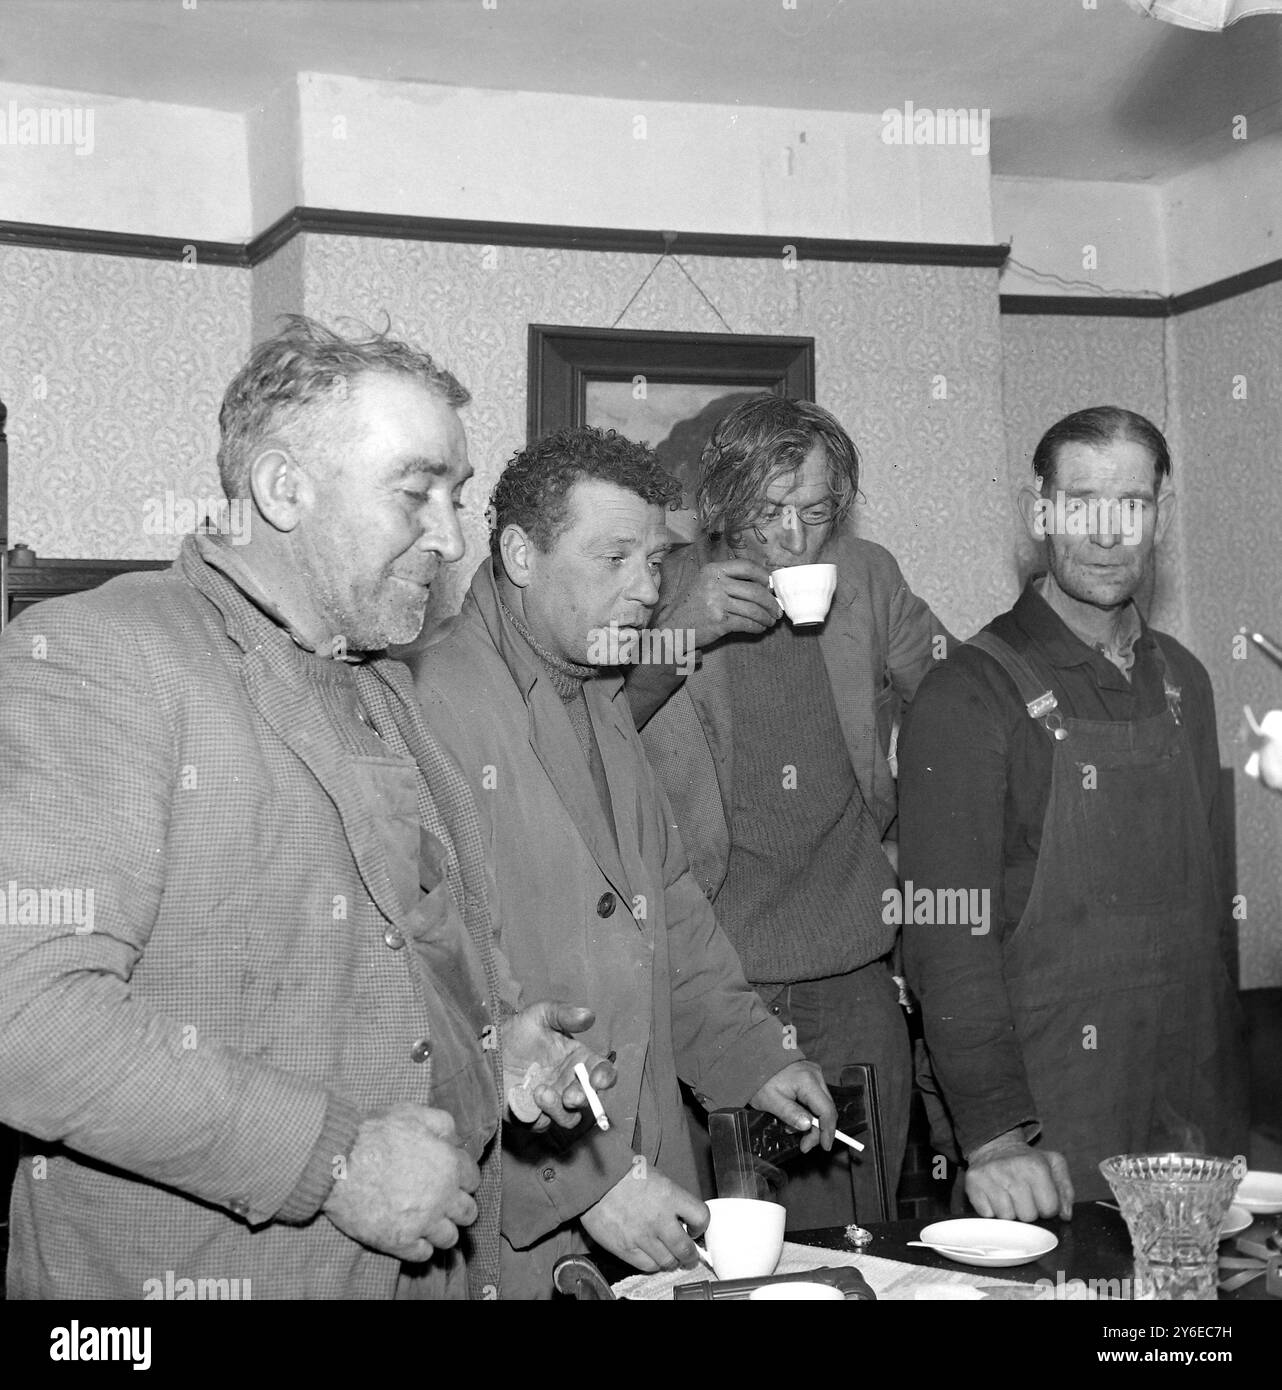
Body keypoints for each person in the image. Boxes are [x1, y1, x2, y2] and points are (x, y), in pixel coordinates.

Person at [0, 316, 613, 1300]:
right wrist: (332, 1161)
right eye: (416, 493)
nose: (450, 538)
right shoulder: (103, 653)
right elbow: (22, 1015)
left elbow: (365, 978)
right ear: (284, 489)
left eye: (455, 499)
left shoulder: (382, 685)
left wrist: (488, 1049)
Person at [412, 425, 838, 1297]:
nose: (648, 591)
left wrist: (754, 1055)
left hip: (638, 1164)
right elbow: (436, 1000)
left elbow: (668, 913)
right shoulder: (431, 707)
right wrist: (589, 1180)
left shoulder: (600, 687)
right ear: (520, 554)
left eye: (655, 560)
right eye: (614, 559)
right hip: (510, 1203)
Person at [898, 405, 1250, 1218]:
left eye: (1132, 503)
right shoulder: (969, 693)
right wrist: (991, 1136)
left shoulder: (1185, 684)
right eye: (1081, 501)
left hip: (1189, 1126)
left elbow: (1207, 931)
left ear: (1158, 514)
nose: (1107, 531)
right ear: (1041, 512)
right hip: (1047, 1130)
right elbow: (945, 936)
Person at [624, 395, 952, 1228]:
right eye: (770, 513)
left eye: (814, 513)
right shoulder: (659, 584)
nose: (795, 539)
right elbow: (588, 732)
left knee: (856, 1242)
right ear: (723, 502)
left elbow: (958, 706)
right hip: (706, 980)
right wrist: (682, 634)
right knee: (718, 1248)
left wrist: (928, 838)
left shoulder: (868, 578)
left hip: (852, 977)